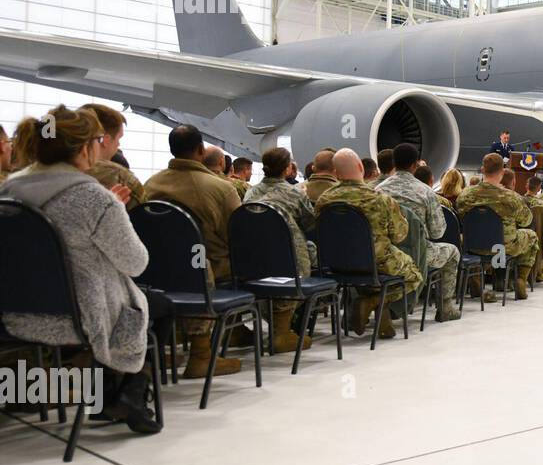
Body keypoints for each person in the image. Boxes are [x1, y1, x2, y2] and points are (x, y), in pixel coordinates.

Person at [0, 105, 158, 434]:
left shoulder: (8, 193)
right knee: (153, 307)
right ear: (86, 148)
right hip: (81, 318)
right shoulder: (92, 199)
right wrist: (117, 210)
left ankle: (109, 397)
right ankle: (122, 397)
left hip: (14, 316)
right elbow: (136, 262)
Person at [144, 124, 243, 379]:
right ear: (200, 150)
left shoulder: (149, 186)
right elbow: (238, 238)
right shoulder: (221, 189)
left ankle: (166, 346)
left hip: (155, 273)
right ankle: (202, 353)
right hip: (210, 272)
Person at [317, 149, 422, 337]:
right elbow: (399, 235)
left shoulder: (324, 200)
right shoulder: (379, 199)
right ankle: (373, 302)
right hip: (377, 260)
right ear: (360, 167)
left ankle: (382, 320)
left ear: (335, 171)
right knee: (414, 275)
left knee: (368, 277)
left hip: (335, 264)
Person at [236, 146, 318, 351]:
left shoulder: (250, 192)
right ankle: (281, 332)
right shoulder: (295, 194)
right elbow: (311, 225)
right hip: (290, 261)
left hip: (254, 259)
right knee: (307, 248)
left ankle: (279, 327)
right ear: (287, 168)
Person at [377, 142, 462, 321]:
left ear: (394, 162)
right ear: (415, 165)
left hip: (385, 253)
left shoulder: (378, 190)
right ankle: (445, 307)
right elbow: (438, 232)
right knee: (453, 252)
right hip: (418, 253)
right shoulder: (425, 192)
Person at [456, 152, 539, 300]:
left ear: (482, 170)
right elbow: (526, 221)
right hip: (503, 247)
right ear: (502, 172)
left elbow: (462, 217)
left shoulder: (465, 195)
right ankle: (520, 279)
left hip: (473, 246)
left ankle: (476, 280)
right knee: (531, 236)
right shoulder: (511, 197)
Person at [80, 103, 145, 210]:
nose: (118, 145)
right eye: (118, 139)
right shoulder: (122, 179)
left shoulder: (50, 169)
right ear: (106, 140)